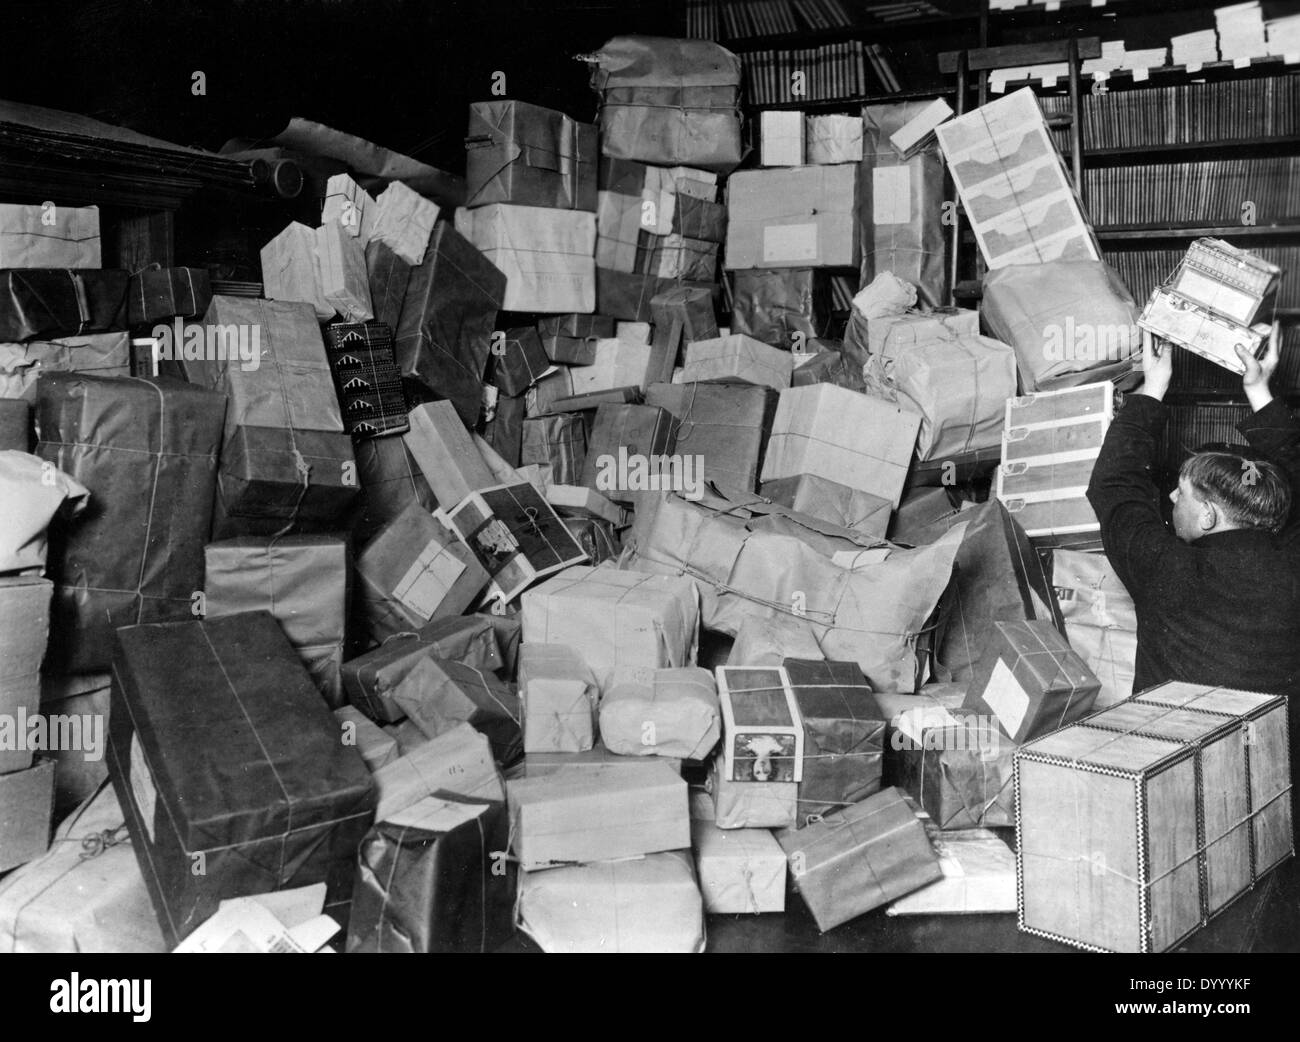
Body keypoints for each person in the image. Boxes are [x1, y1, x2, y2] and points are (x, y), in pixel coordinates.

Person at [1086, 325, 1300, 706]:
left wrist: (1153, 385)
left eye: (1181, 491)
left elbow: (1115, 483)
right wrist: (1259, 390)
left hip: (1173, 758)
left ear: (1207, 515)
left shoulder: (1168, 570)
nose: (1170, 496)